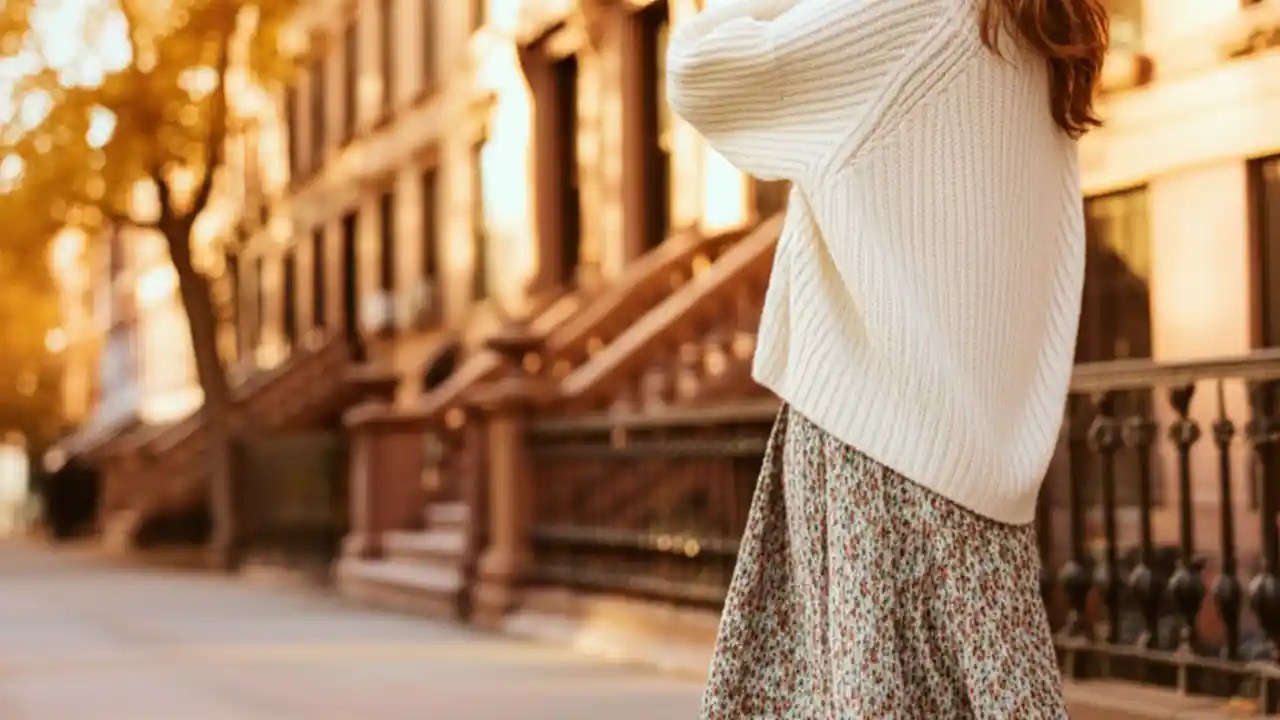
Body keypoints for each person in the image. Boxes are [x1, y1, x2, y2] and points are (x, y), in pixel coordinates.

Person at [666, 0, 1106, 716]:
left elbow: (699, 68)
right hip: (975, 465)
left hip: (878, 446)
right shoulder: (1037, 33)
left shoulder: (916, 16)